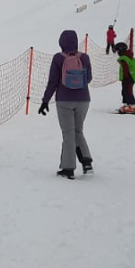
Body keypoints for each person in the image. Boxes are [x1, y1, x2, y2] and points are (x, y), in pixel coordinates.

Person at [37, 29, 94, 179]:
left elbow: (53, 82)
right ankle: (86, 162)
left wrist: (45, 101)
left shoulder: (58, 58)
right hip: (83, 100)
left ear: (61, 42)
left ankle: (68, 168)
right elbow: (88, 79)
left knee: (68, 133)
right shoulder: (85, 58)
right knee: (78, 131)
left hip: (64, 101)